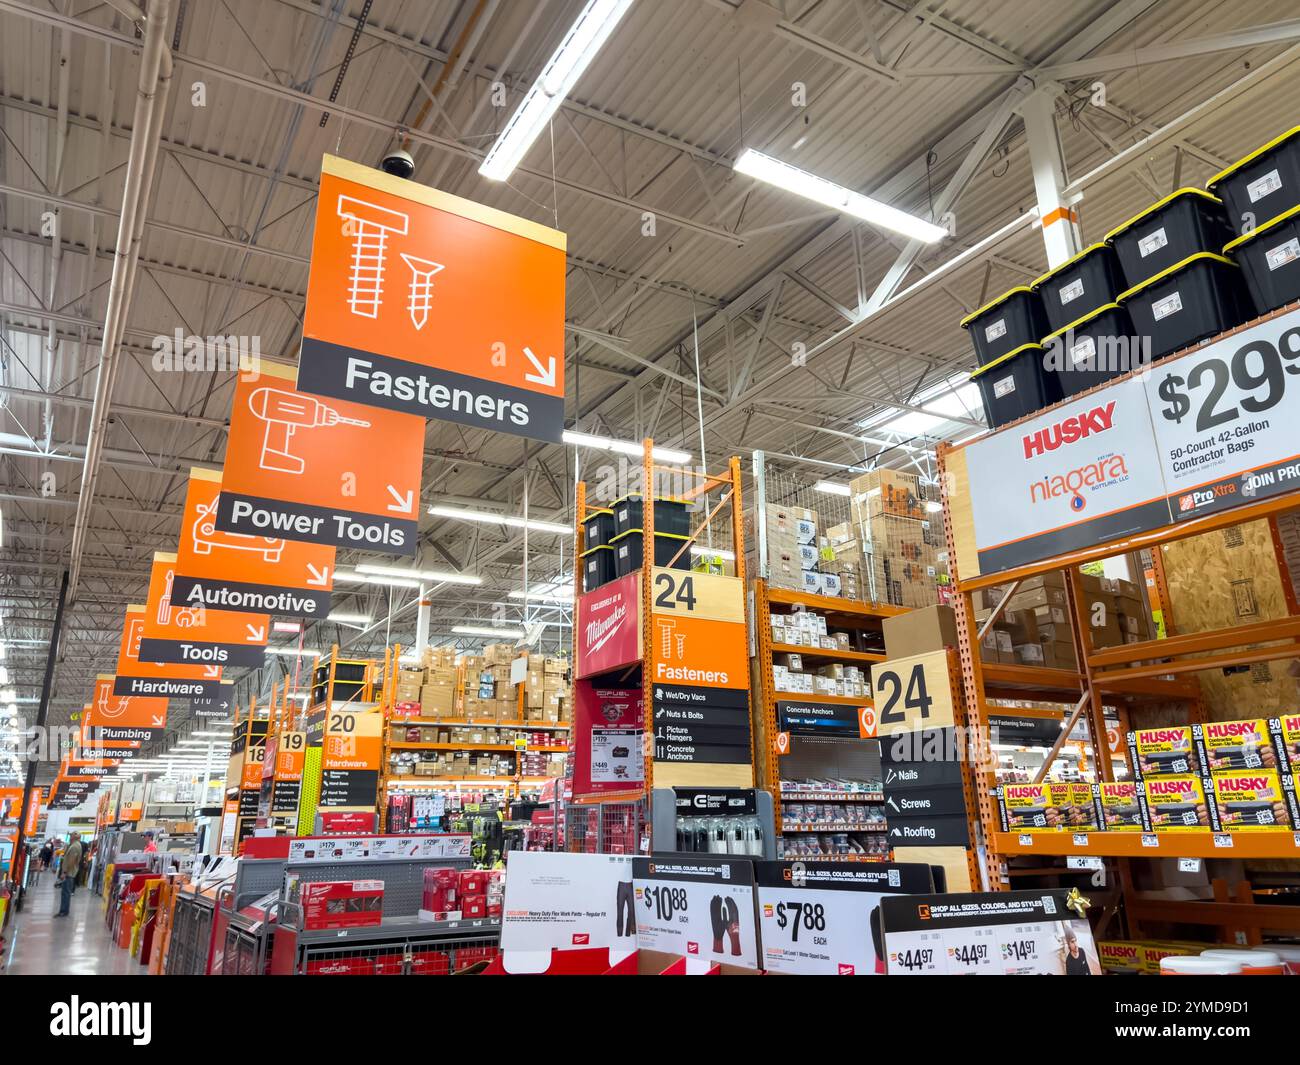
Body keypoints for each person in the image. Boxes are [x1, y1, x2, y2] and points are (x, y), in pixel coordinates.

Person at [55, 832, 83, 918]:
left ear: (75, 837)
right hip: (69, 873)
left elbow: (71, 861)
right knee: (65, 892)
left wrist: (64, 872)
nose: (70, 837)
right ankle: (63, 910)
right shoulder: (74, 845)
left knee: (65, 893)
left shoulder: (75, 846)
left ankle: (63, 911)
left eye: (71, 835)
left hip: (69, 873)